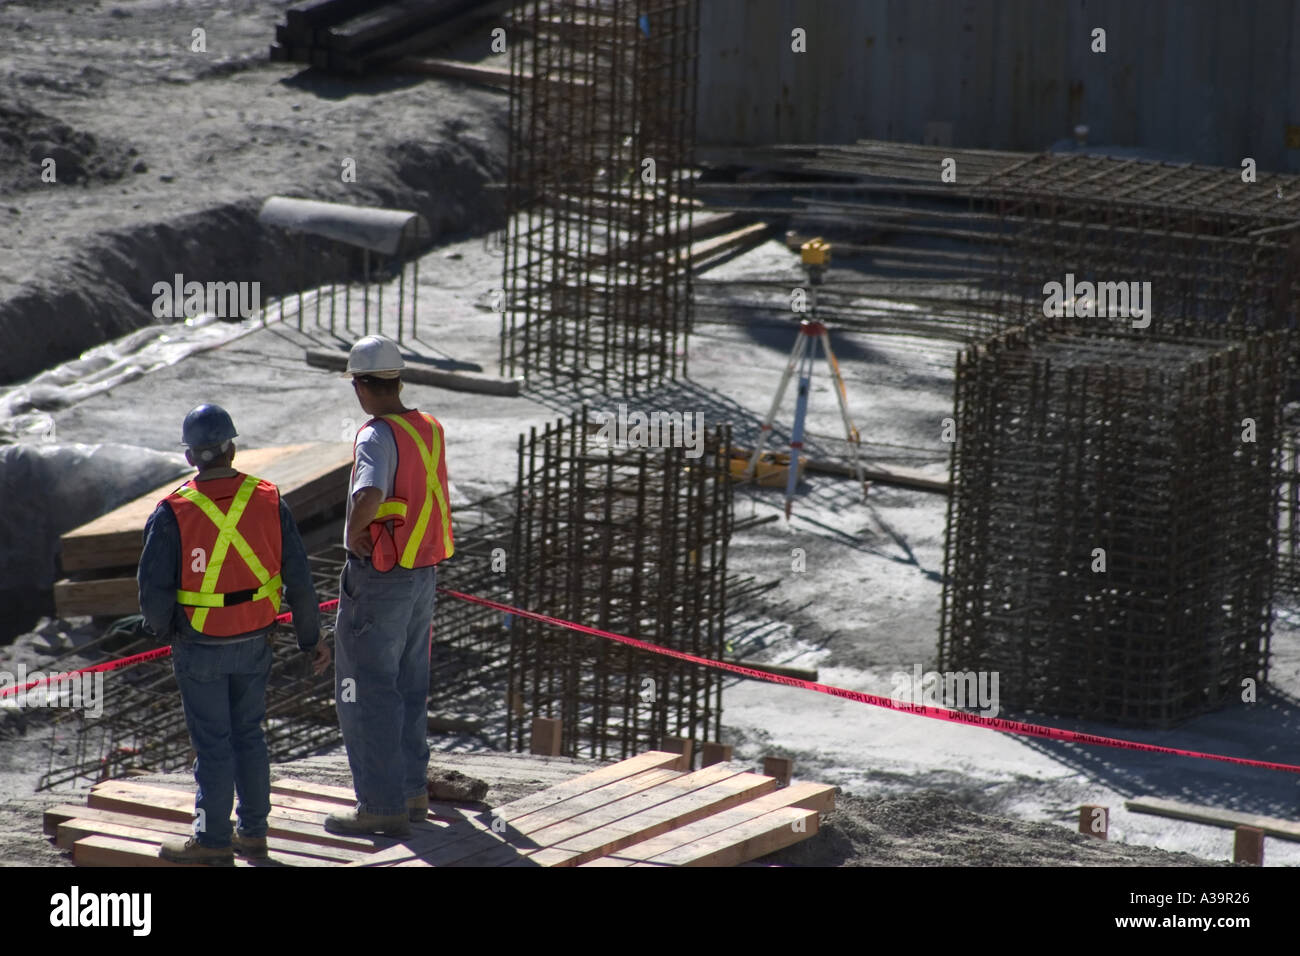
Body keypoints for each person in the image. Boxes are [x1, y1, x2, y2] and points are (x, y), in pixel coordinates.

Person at [138, 403, 330, 864]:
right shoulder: (267, 499)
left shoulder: (172, 512)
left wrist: (163, 630)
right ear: (233, 448)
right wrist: (311, 640)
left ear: (190, 457)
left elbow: (153, 590)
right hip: (256, 639)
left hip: (199, 645)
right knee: (249, 735)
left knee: (213, 745)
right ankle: (254, 833)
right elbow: (299, 578)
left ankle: (211, 841)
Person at [326, 335, 453, 837]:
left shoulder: (376, 435)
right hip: (422, 572)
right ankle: (411, 791)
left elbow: (372, 492)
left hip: (382, 576)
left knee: (364, 690)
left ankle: (380, 806)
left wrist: (352, 532)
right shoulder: (429, 427)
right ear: (398, 379)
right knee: (408, 684)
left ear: (360, 385)